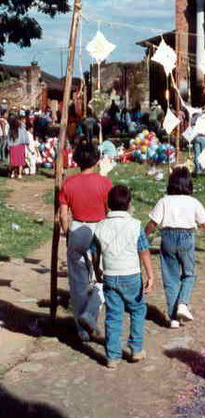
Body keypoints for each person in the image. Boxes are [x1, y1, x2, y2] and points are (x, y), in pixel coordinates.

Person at [92, 185, 154, 369]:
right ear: (129, 204)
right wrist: (150, 275)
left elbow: (95, 252)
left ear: (108, 204)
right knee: (137, 310)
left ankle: (112, 356)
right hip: (131, 274)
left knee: (113, 315)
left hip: (110, 275)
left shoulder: (99, 226)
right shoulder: (135, 225)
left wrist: (97, 270)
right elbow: (144, 251)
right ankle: (136, 349)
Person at [58, 140, 112, 341]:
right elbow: (110, 211)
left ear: (76, 160)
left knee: (78, 281)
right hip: (99, 230)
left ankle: (82, 329)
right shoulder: (105, 183)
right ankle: (90, 314)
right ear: (97, 160)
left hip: (77, 228)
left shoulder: (68, 184)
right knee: (103, 277)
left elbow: (63, 215)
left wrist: (67, 234)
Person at [145, 166, 205, 328]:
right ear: (189, 184)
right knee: (189, 274)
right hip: (186, 237)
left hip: (167, 237)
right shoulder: (193, 202)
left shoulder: (164, 201)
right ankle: (183, 303)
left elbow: (153, 223)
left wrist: (143, 235)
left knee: (170, 278)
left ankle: (173, 318)